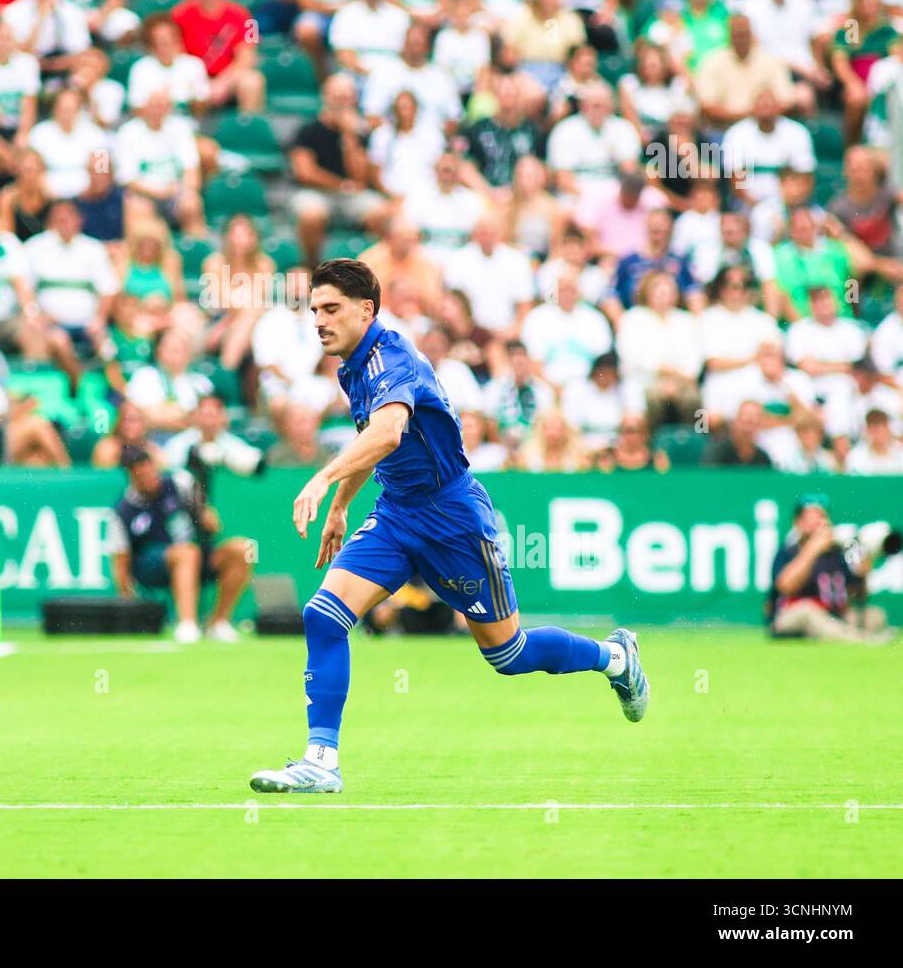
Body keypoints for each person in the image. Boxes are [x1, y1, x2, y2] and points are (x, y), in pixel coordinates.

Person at [248, 259, 649, 795]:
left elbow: (389, 432)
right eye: (314, 309)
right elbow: (378, 443)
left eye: (331, 309)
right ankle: (321, 761)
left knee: (508, 654)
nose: (318, 320)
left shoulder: (390, 357)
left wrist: (323, 479)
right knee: (323, 616)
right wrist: (343, 503)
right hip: (396, 512)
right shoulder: (353, 364)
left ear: (366, 310)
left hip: (452, 517)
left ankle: (615, 657)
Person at [110, 444, 253, 644]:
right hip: (152, 566)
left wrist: (209, 520)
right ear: (131, 476)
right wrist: (128, 603)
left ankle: (218, 623)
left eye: (150, 469)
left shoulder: (181, 483)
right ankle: (187, 624)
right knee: (186, 553)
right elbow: (121, 561)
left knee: (243, 548)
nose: (149, 477)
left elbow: (209, 523)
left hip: (195, 554)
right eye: (140, 474)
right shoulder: (123, 511)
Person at [768, 494, 896, 642]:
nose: (819, 522)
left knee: (876, 615)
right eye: (812, 517)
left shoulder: (836, 553)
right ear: (798, 523)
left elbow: (857, 595)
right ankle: (859, 639)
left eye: (822, 516)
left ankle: (837, 634)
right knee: (807, 612)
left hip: (831, 615)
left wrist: (863, 571)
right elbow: (786, 586)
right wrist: (813, 549)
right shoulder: (788, 551)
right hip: (791, 616)